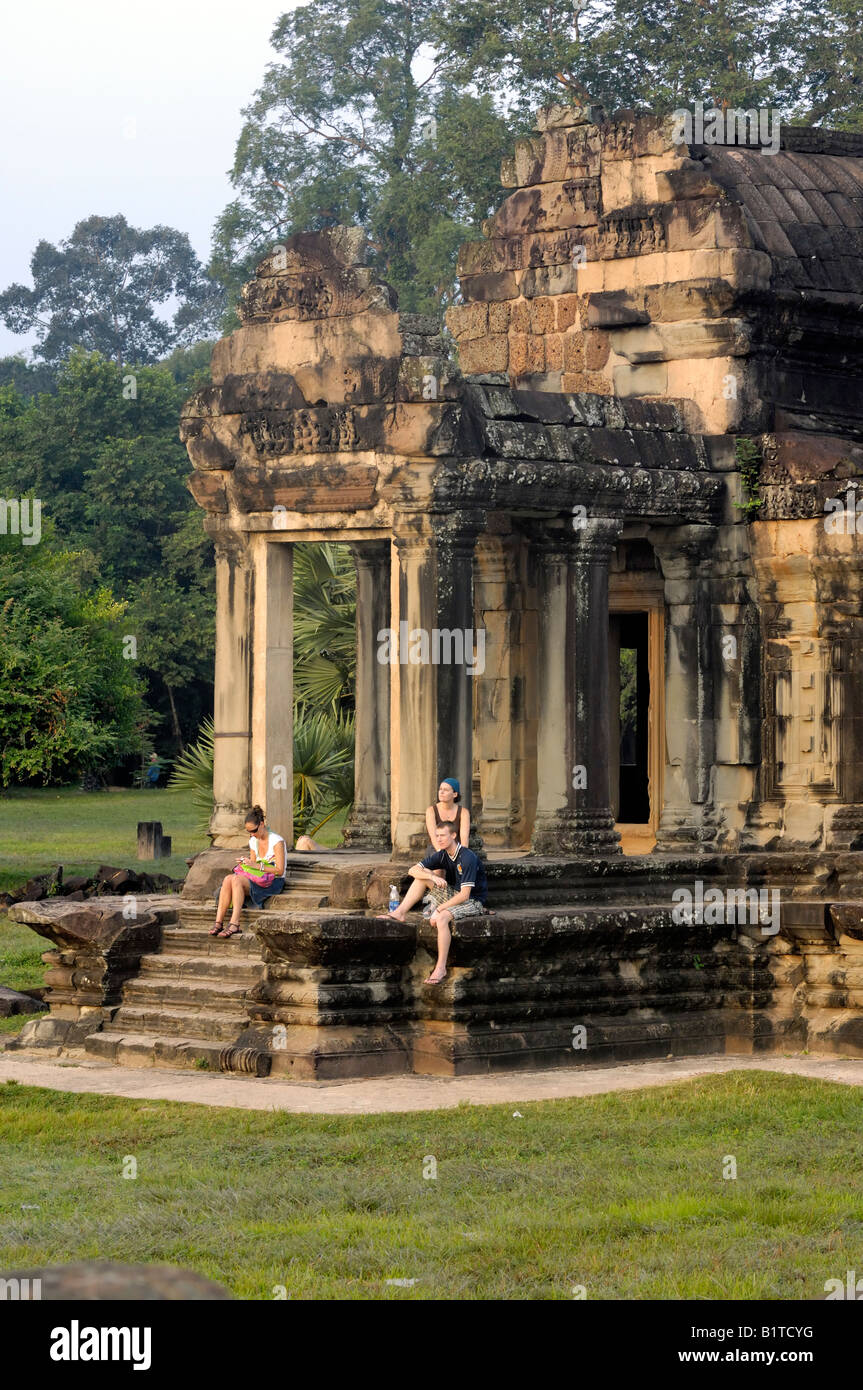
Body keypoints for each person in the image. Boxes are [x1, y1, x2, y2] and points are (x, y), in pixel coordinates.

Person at [380, 821, 488, 985]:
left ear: (453, 836)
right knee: (421, 876)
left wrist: (440, 909)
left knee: (443, 917)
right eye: (437, 836)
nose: (439, 839)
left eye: (443, 835)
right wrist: (432, 876)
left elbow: (465, 895)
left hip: (472, 901)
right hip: (454, 893)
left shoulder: (467, 857)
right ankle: (399, 912)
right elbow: (412, 870)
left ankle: (440, 967)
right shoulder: (443, 854)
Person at [211, 805, 287, 938]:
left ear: (262, 824)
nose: (252, 834)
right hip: (258, 878)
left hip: (273, 881)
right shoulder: (253, 841)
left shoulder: (277, 841)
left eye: (254, 830)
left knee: (235, 879)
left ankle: (234, 923)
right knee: (228, 878)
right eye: (249, 831)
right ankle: (218, 922)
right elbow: (253, 867)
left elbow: (279, 871)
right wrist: (245, 863)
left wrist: (258, 866)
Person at [425, 777, 470, 849]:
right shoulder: (431, 811)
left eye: (445, 790)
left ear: (455, 794)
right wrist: (442, 855)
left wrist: (462, 856)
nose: (441, 792)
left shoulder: (463, 812)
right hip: (436, 850)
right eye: (440, 789)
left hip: (455, 850)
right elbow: (433, 837)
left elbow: (464, 840)